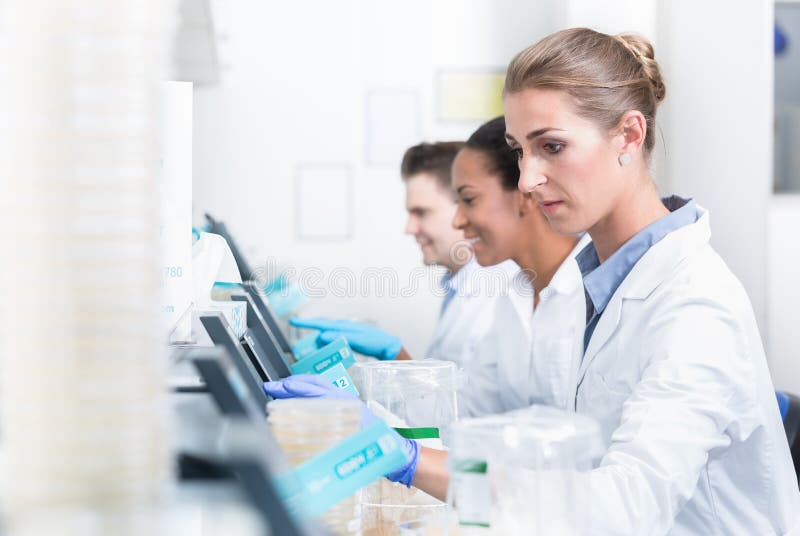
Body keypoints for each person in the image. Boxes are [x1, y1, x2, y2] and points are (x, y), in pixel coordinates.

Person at [291, 142, 517, 370]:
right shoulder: (457, 285)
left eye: (421, 212)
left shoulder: (496, 295)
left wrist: (395, 353)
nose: (409, 228)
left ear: (464, 207)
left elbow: (465, 392)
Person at [449, 116, 589, 417]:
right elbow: (470, 413)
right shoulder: (512, 299)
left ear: (525, 194)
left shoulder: (593, 293)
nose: (457, 221)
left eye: (469, 199)